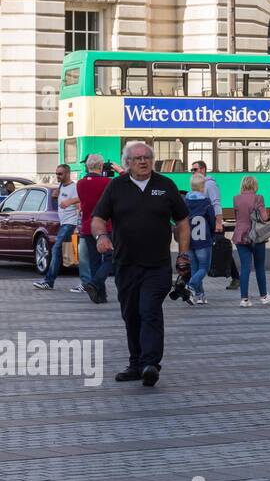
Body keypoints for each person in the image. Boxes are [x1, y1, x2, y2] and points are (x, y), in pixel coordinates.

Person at [91, 141, 190, 388]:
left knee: (149, 310)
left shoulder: (165, 186)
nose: (143, 161)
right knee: (131, 315)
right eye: (137, 158)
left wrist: (183, 255)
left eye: (147, 157)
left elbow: (183, 221)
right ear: (127, 163)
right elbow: (98, 219)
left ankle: (151, 364)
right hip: (126, 264)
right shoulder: (116, 187)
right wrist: (101, 237)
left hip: (157, 265)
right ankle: (136, 364)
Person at [31, 165, 82, 292]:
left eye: (60, 174)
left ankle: (49, 281)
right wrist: (55, 197)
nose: (58, 176)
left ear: (68, 174)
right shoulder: (61, 187)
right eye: (56, 174)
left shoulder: (74, 187)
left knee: (57, 249)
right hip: (64, 223)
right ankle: (87, 282)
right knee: (76, 254)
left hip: (71, 223)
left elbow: (80, 202)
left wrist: (72, 205)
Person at [191, 159, 239, 290]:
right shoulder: (200, 184)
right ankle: (187, 279)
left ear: (202, 170)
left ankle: (236, 277)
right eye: (192, 170)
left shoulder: (210, 185)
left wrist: (218, 222)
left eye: (194, 169)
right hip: (204, 223)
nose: (193, 172)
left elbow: (216, 203)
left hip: (212, 224)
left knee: (219, 249)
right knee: (211, 249)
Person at [76, 155, 115, 303]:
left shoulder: (80, 183)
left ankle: (100, 296)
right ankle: (94, 283)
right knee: (111, 258)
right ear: (101, 166)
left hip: (87, 226)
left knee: (94, 261)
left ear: (87, 166)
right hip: (106, 226)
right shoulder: (108, 182)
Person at [232, 175, 270, 308]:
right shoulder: (258, 198)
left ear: (243, 185)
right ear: (254, 185)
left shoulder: (236, 199)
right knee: (259, 267)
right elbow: (264, 217)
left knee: (245, 267)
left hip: (240, 236)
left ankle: (244, 299)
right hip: (256, 237)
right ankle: (263, 296)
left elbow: (237, 218)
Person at [184, 172, 217, 304]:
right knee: (204, 268)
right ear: (202, 187)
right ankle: (191, 285)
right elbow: (212, 221)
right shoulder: (206, 202)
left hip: (189, 240)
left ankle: (200, 295)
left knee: (194, 268)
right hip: (203, 240)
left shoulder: (185, 201)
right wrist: (213, 233)